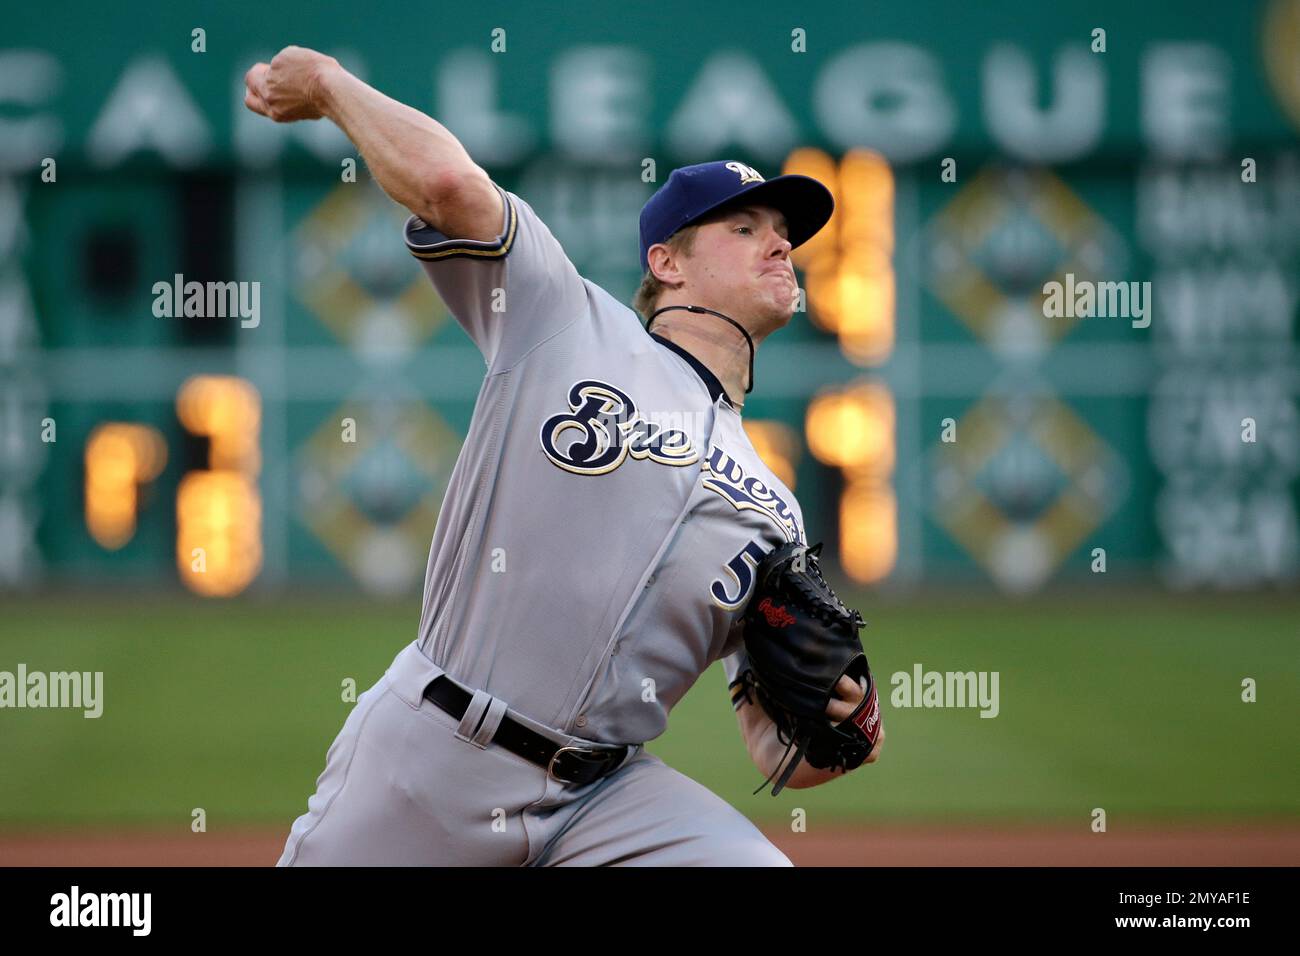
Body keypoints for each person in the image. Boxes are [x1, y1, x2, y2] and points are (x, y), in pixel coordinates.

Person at [244, 45, 883, 867]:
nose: (779, 245)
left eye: (785, 234)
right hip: (436, 752)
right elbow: (448, 188)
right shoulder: (564, 320)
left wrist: (848, 729)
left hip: (606, 797)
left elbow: (776, 757)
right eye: (745, 226)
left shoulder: (774, 506)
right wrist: (330, 87)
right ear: (667, 262)